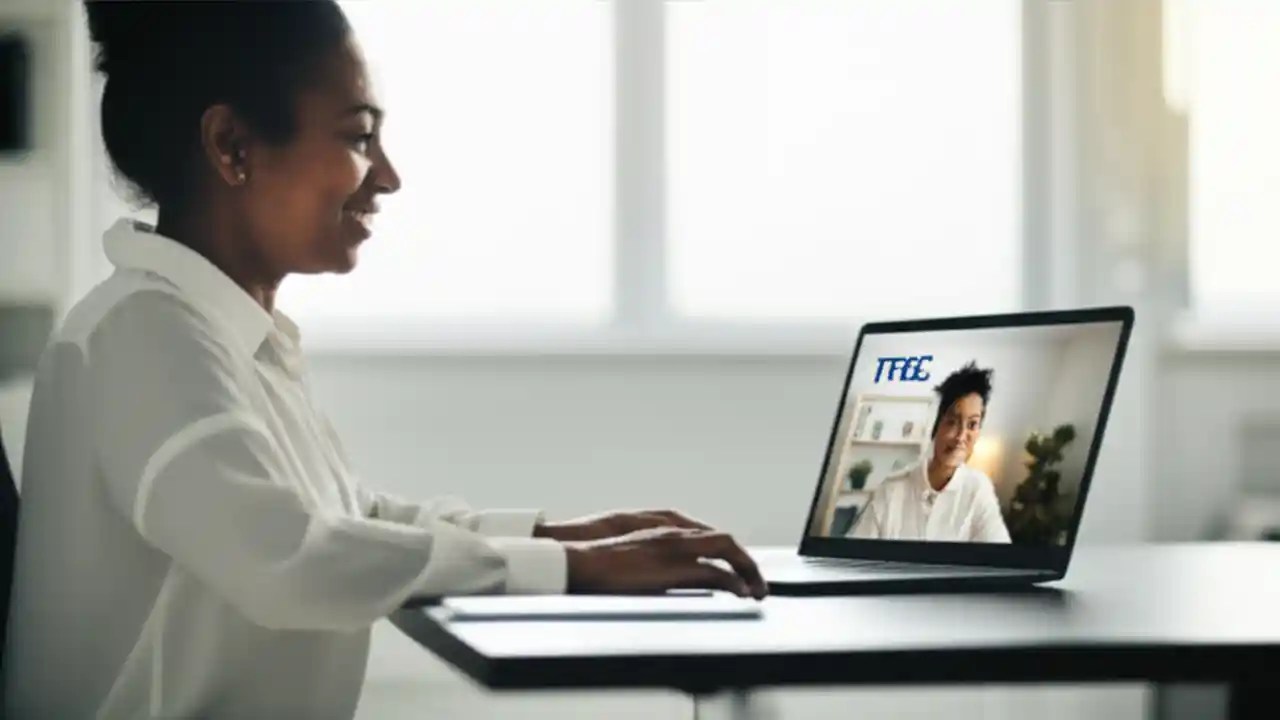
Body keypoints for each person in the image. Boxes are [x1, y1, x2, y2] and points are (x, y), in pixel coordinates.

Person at [2, 3, 765, 718]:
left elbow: (350, 518)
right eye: (358, 137)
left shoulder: (221, 335)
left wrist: (562, 537)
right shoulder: (139, 335)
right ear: (232, 146)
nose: (388, 175)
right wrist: (572, 571)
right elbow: (289, 559)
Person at [847, 362, 1011, 543]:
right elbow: (855, 553)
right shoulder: (892, 489)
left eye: (972, 425)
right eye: (952, 422)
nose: (960, 437)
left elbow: (998, 554)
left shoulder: (978, 489)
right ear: (936, 425)